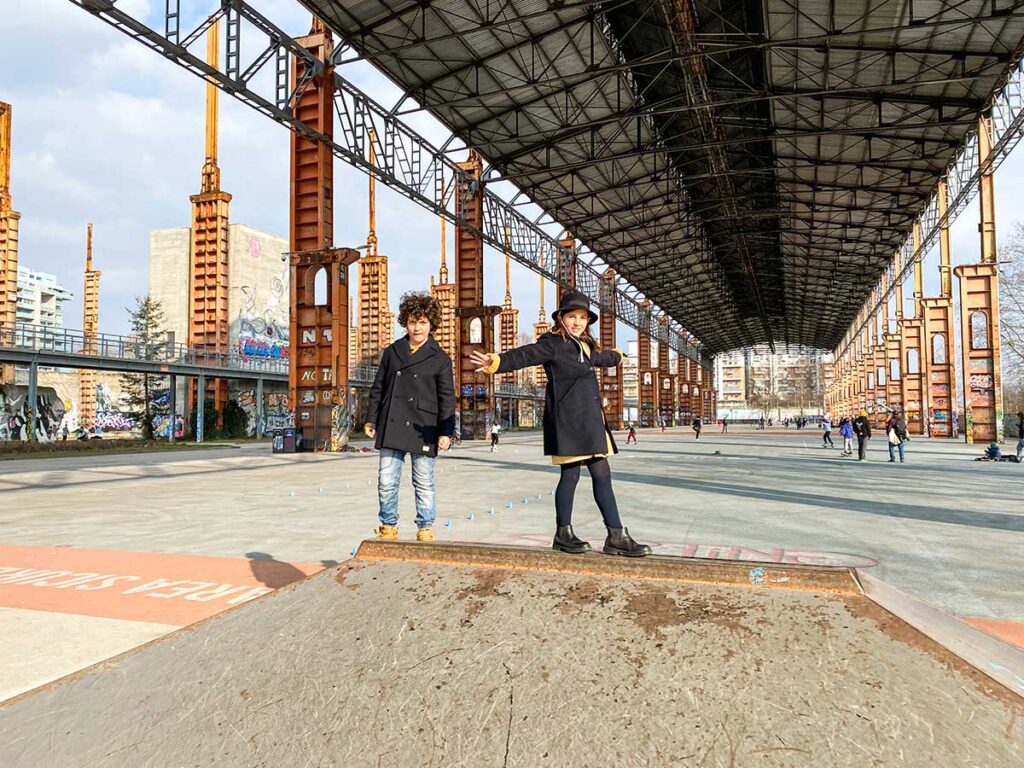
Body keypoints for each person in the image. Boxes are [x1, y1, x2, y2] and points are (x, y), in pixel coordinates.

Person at [470, 290, 650, 557]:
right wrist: (496, 362)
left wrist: (617, 356)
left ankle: (608, 535)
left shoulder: (586, 346)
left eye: (582, 318)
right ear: (561, 318)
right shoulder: (552, 343)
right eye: (571, 317)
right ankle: (578, 533)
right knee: (574, 475)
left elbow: (600, 359)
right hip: (569, 420)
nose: (577, 322)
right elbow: (526, 354)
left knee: (596, 474)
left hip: (589, 421)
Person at [365, 292, 455, 543]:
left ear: (431, 325)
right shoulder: (393, 352)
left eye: (423, 322)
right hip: (392, 422)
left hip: (424, 426)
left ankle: (425, 526)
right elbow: (379, 387)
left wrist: (446, 432)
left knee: (423, 481)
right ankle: (388, 524)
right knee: (386, 480)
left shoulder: (440, 359)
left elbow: (447, 398)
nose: (417, 328)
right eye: (413, 322)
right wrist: (372, 419)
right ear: (405, 322)